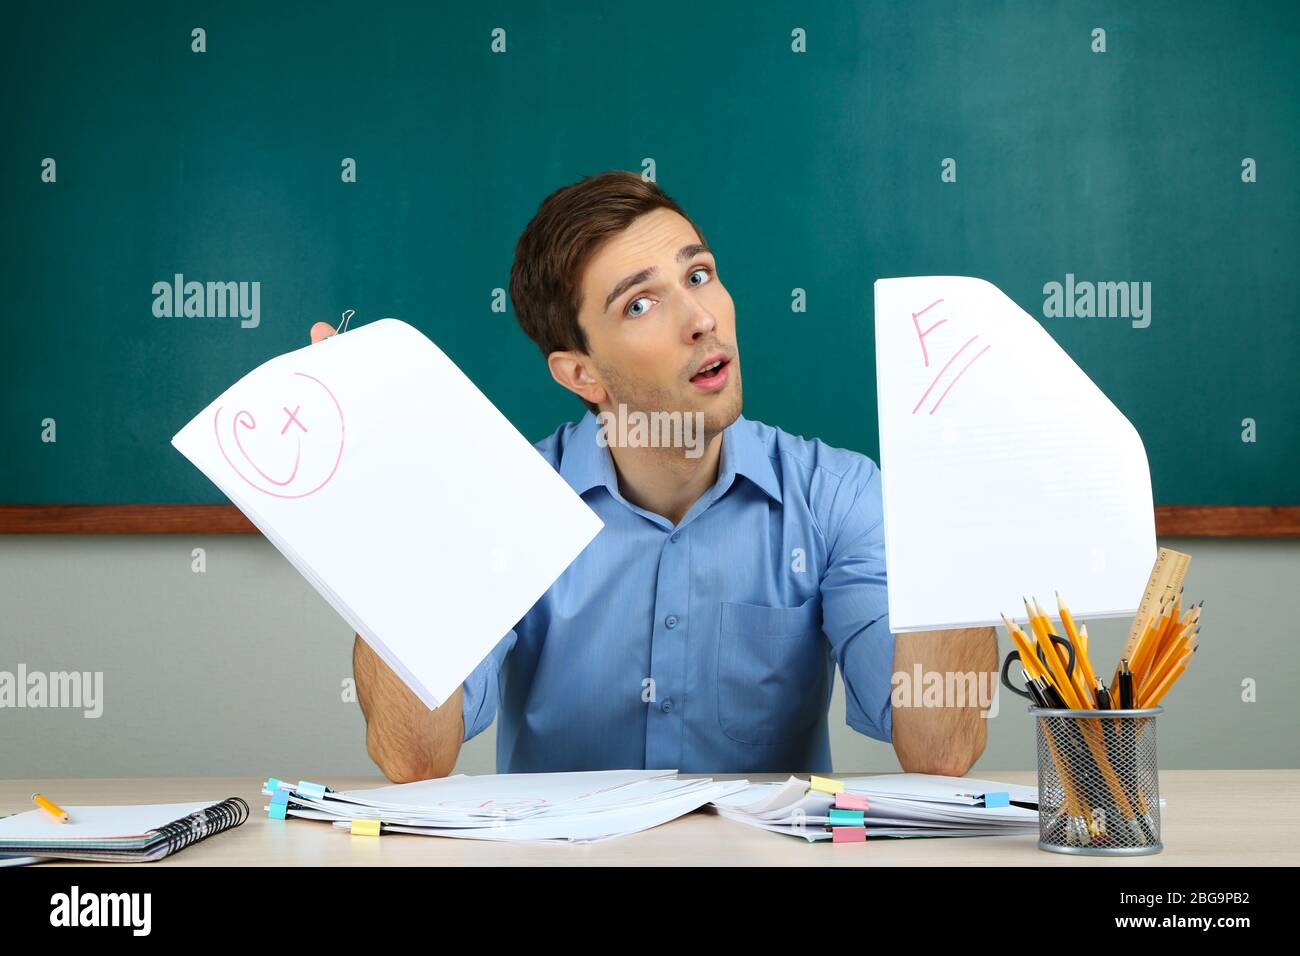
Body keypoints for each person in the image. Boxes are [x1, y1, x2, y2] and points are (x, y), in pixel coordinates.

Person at [311, 171, 996, 779]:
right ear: (580, 374)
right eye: (639, 304)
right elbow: (413, 757)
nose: (700, 319)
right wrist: (387, 506)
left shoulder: (835, 495)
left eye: (698, 276)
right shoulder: (508, 504)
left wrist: (949, 491)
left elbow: (941, 750)